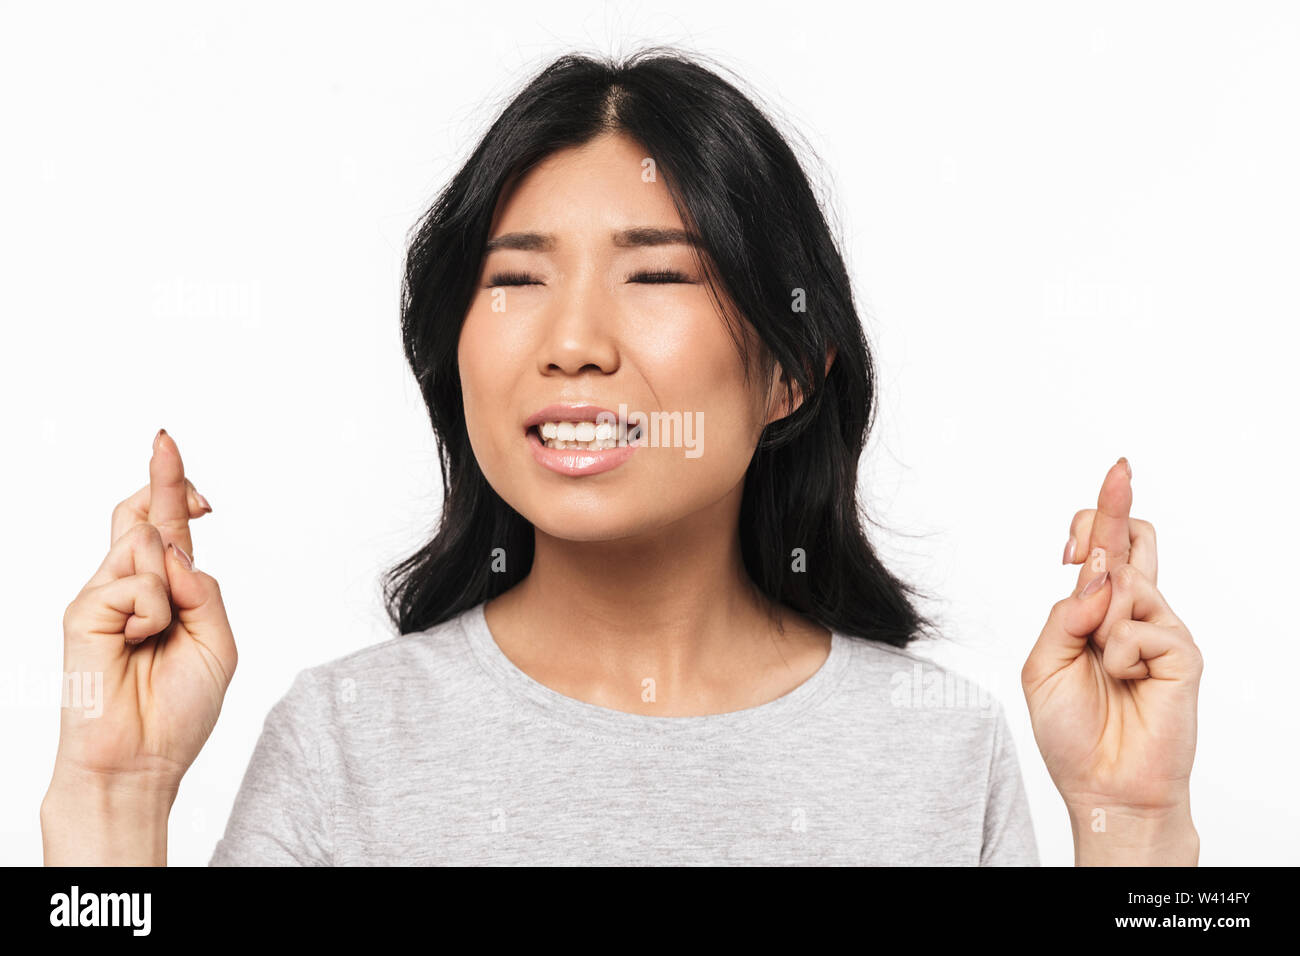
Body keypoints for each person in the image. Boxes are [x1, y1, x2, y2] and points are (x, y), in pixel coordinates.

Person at [43, 49, 1201, 866]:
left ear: (790, 370)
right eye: (514, 278)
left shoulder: (933, 747)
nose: (573, 344)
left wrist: (1131, 821)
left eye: (656, 275)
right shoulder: (346, 739)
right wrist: (111, 798)